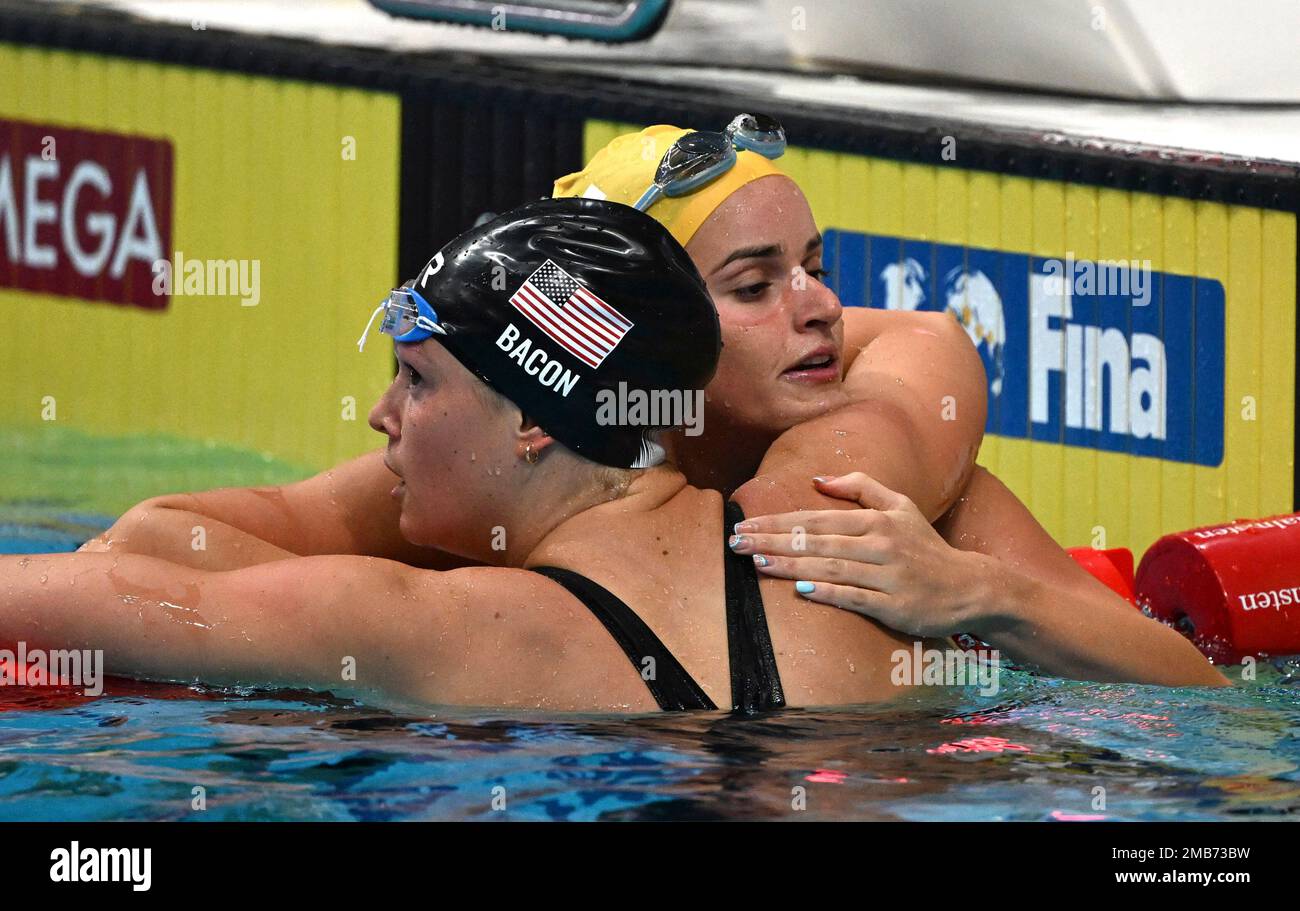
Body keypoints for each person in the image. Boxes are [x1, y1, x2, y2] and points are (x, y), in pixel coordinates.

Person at [80, 116, 1226, 687]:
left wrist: (968, 591)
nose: (819, 307)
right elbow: (157, 541)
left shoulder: (876, 492)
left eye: (815, 266)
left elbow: (1195, 698)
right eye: (755, 285)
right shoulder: (513, 472)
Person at [1, 198, 963, 713]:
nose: (383, 413)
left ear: (534, 420)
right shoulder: (850, 549)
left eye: (418, 381)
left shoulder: (446, 630)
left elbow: (61, 601)